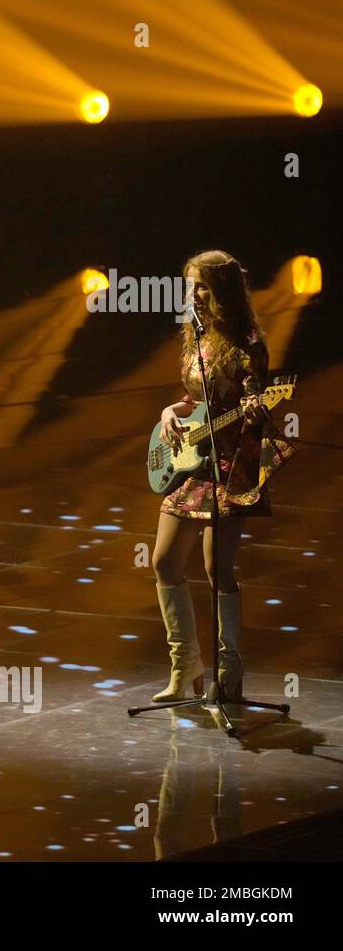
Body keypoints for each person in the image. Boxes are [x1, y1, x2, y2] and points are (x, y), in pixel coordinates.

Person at [149, 250, 292, 702]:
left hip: (231, 464)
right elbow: (197, 397)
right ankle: (185, 668)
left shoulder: (247, 340)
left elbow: (252, 396)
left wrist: (253, 407)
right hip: (193, 459)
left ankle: (229, 674)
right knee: (165, 561)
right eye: (191, 285)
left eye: (202, 286)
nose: (194, 294)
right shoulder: (194, 335)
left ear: (223, 290)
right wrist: (172, 410)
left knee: (217, 568)